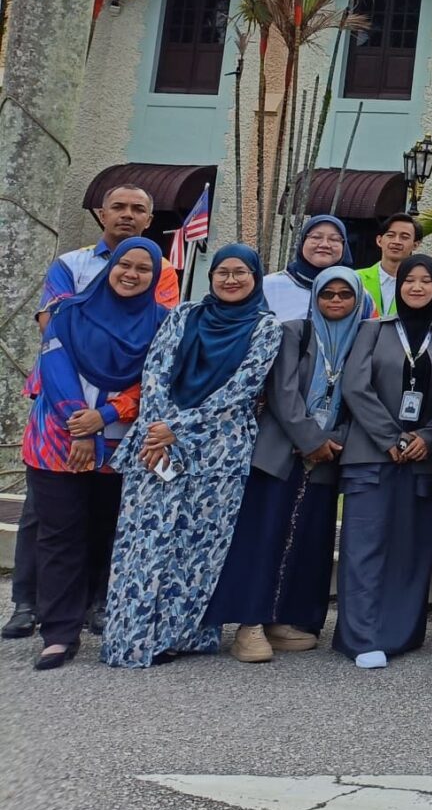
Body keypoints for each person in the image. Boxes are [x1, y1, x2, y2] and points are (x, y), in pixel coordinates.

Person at [7, 184, 176, 644]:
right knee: (46, 515)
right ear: (101, 213)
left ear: (149, 217)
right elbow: (52, 330)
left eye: (137, 209)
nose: (126, 214)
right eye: (117, 207)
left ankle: (93, 604)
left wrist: (107, 413)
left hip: (119, 418)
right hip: (61, 411)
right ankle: (30, 602)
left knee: (106, 517)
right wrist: (79, 415)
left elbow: (160, 340)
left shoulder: (160, 269)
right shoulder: (71, 265)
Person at [100, 247, 283, 668]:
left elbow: (242, 389)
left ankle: (178, 636)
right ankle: (130, 639)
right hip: (156, 445)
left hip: (219, 450)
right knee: (142, 543)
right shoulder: (183, 315)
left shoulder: (266, 327)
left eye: (240, 272)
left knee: (197, 547)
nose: (230, 279)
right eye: (222, 272)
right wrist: (160, 429)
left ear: (255, 278)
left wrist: (178, 427)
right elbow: (155, 372)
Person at [208, 267, 364, 662]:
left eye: (345, 294)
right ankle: (249, 624)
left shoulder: (363, 339)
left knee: (308, 539)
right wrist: (310, 439)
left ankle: (283, 618)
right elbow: (282, 391)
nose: (335, 301)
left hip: (329, 457)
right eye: (327, 293)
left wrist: (335, 441)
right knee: (264, 537)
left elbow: (365, 395)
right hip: (281, 452)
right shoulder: (294, 331)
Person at [336, 254, 432, 668]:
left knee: (412, 549)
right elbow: (355, 386)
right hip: (372, 453)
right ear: (398, 285)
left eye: (426, 281)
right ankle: (361, 636)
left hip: (424, 459)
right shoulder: (372, 330)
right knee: (364, 547)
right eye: (409, 280)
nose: (417, 287)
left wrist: (428, 436)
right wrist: (390, 437)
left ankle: (402, 633)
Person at [261, 214, 353, 325]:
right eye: (316, 237)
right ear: (303, 241)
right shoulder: (268, 286)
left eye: (334, 239)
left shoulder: (355, 292)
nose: (325, 244)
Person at [358, 213, 422, 317]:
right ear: (379, 240)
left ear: (415, 245)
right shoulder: (356, 278)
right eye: (390, 235)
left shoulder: (419, 286)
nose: (396, 242)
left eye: (404, 237)